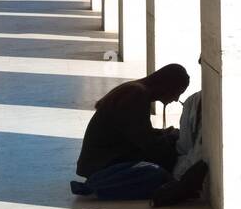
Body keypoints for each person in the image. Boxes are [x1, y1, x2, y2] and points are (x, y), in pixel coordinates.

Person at [70, 63, 193, 201]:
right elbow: (148, 144)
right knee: (157, 173)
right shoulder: (136, 95)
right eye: (177, 92)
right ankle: (99, 184)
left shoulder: (135, 90)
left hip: (107, 160)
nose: (176, 99)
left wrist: (165, 135)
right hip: (103, 166)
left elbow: (136, 133)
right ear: (167, 85)